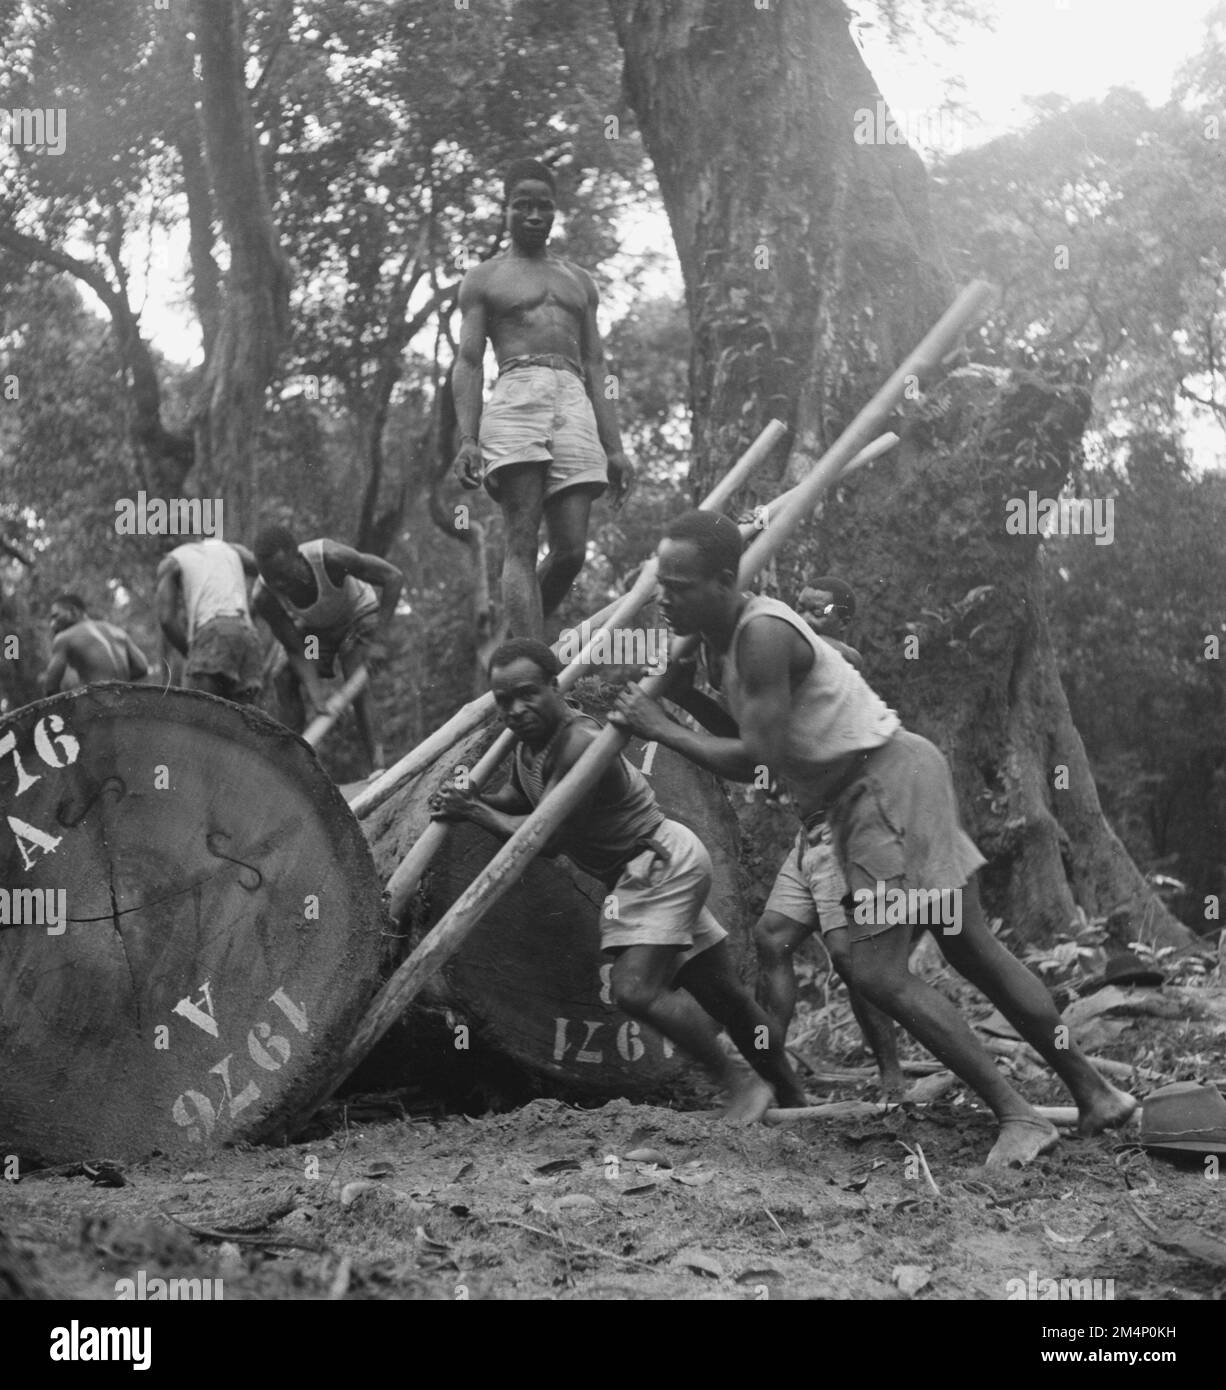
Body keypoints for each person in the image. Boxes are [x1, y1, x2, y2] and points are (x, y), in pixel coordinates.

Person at [610, 511, 1138, 1167]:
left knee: (876, 970)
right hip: (889, 779)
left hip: (883, 790)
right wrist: (689, 701)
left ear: (724, 579)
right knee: (970, 948)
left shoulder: (764, 634)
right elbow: (755, 731)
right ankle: (1096, 1092)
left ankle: (1019, 1115)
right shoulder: (727, 644)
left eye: (678, 585)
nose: (664, 597)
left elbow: (756, 761)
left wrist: (659, 725)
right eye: (661, 583)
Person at [429, 636, 806, 1123]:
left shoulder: (579, 742)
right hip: (652, 868)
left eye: (527, 694)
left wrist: (473, 811)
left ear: (554, 687)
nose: (516, 709)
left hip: (657, 865)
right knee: (723, 994)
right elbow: (518, 800)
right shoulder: (530, 745)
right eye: (504, 701)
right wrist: (472, 796)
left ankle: (741, 1086)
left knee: (633, 989)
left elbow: (546, 839)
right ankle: (792, 1095)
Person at [451, 157, 634, 639]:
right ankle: (531, 664)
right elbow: (468, 361)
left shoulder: (579, 281)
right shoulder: (484, 279)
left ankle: (521, 645)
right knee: (521, 540)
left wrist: (614, 447)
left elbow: (596, 364)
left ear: (555, 213)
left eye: (544, 207)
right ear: (506, 210)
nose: (534, 215)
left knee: (572, 550)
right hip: (517, 394)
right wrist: (468, 438)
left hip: (572, 397)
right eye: (522, 205)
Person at [753, 576, 906, 1099]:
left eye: (817, 611)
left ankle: (891, 1075)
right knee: (772, 938)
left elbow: (834, 652)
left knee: (849, 957)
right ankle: (774, 1077)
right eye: (799, 608)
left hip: (843, 829)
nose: (804, 617)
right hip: (808, 834)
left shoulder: (842, 659)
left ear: (841, 617)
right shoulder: (787, 659)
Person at [250, 525, 403, 773]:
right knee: (283, 675)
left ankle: (378, 766)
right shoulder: (264, 596)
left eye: (283, 574)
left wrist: (380, 642)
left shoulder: (332, 558)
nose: (280, 584)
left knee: (353, 667)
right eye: (271, 578)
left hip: (358, 615)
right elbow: (296, 648)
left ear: (297, 556)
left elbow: (393, 577)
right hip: (316, 635)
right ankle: (293, 768)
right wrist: (316, 693)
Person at [156, 538, 263, 704]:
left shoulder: (173, 560)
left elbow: (166, 619)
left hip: (214, 633)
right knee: (247, 722)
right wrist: (253, 606)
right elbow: (262, 566)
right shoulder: (229, 548)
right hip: (248, 636)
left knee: (199, 718)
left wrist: (189, 653)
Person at [40, 593, 149, 695]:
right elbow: (142, 667)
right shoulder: (117, 632)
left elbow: (50, 688)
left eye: (56, 616)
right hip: (126, 704)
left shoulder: (65, 637)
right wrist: (115, 681)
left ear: (73, 611)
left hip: (97, 708)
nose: (52, 624)